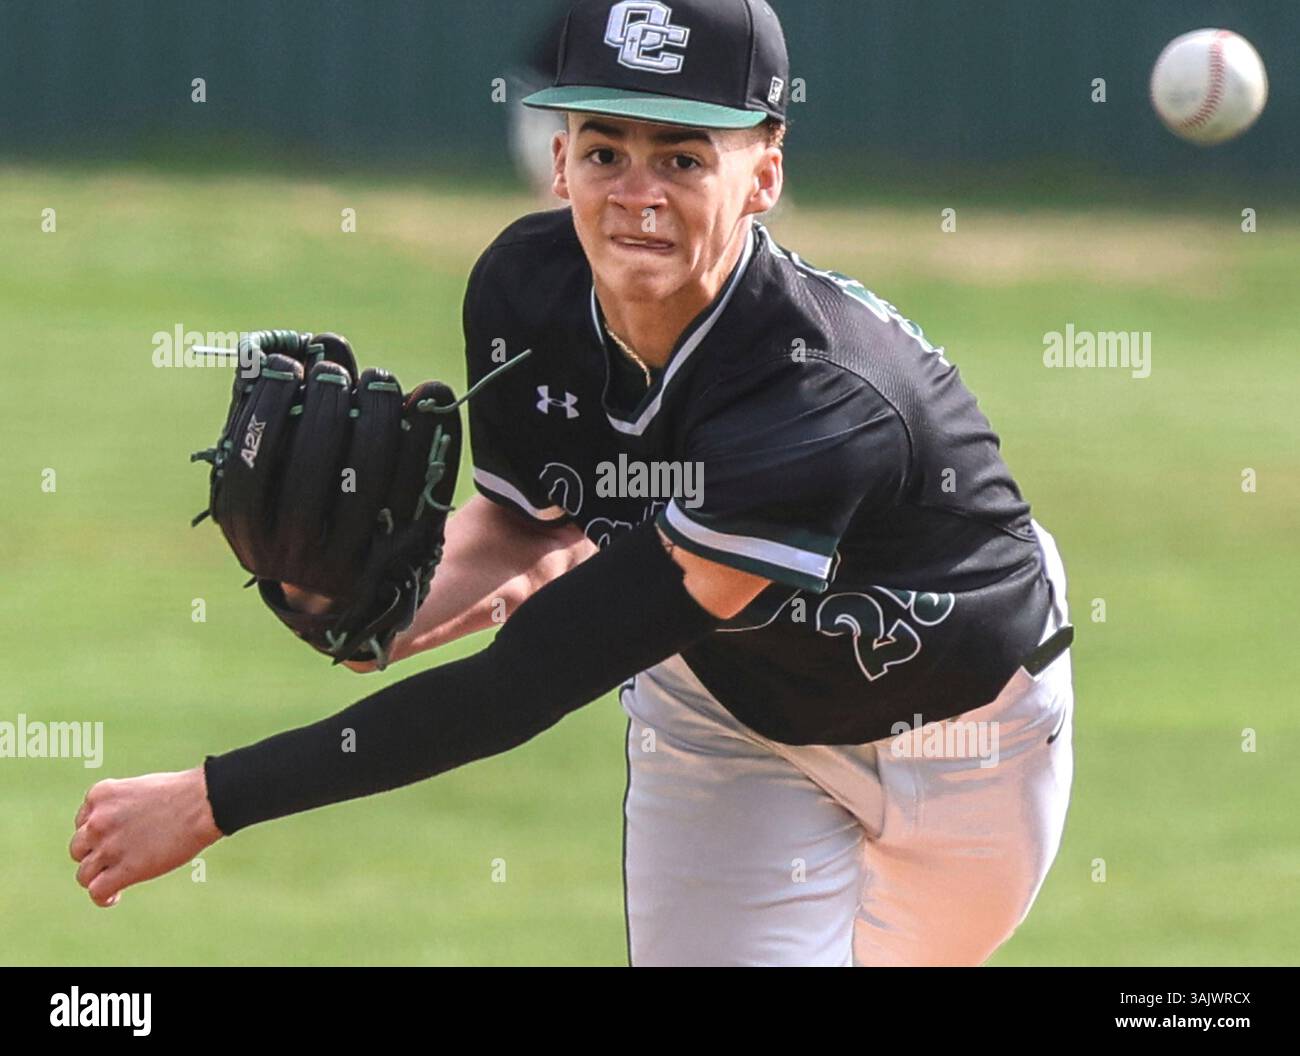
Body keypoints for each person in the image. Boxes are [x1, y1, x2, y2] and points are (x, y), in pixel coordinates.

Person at [71, 0, 1075, 967]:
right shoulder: (526, 292)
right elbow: (525, 525)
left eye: (682, 157)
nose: (636, 191)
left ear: (763, 173)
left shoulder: (818, 401)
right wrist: (380, 615)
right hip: (722, 709)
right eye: (605, 150)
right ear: (559, 160)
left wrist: (214, 797)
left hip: (961, 730)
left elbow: (528, 679)